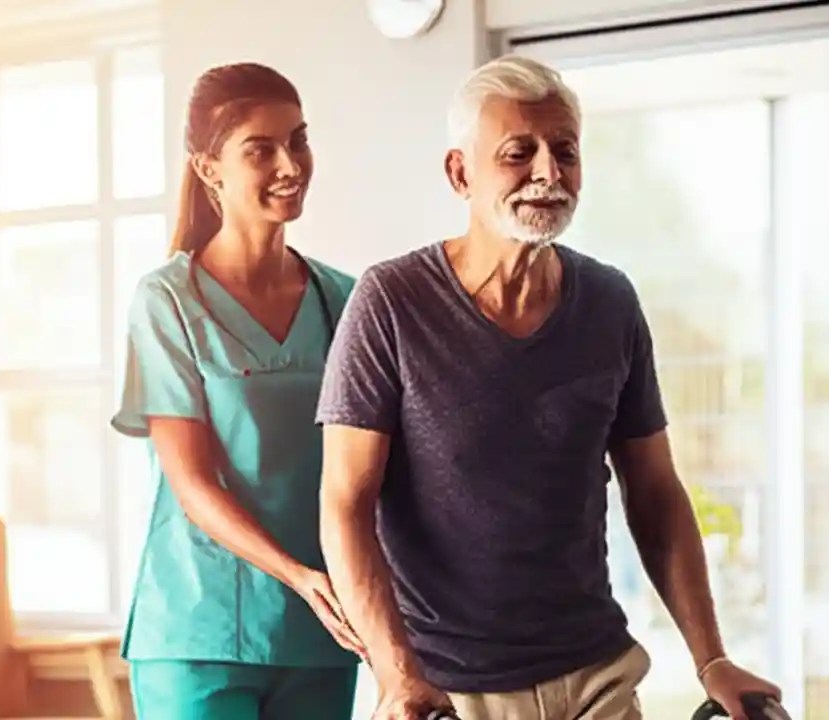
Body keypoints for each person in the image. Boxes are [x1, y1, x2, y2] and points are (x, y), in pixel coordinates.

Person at [314, 55, 781, 720]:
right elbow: (344, 504)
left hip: (597, 675)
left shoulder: (610, 302)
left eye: (565, 151)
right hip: (453, 692)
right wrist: (396, 675)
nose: (549, 173)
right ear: (460, 173)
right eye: (519, 153)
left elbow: (655, 491)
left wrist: (712, 659)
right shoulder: (390, 301)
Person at [111, 62, 364, 720]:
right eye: (260, 149)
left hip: (321, 633)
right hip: (198, 630)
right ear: (209, 168)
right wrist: (301, 577)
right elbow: (192, 485)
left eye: (298, 140)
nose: (290, 164)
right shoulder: (167, 301)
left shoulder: (346, 300)